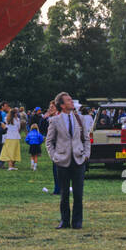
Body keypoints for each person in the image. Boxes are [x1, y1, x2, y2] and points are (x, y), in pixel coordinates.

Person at [45, 92, 90, 228]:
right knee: (64, 193)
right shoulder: (54, 121)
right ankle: (64, 221)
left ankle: (77, 222)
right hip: (62, 161)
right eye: (69, 100)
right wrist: (54, 157)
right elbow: (49, 141)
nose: (72, 102)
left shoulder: (80, 119)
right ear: (62, 105)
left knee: (78, 194)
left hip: (78, 160)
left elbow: (87, 139)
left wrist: (86, 155)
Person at [0, 103, 22, 170]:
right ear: (15, 113)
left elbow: (3, 126)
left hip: (8, 137)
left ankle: (11, 166)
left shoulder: (6, 118)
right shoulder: (17, 120)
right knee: (14, 151)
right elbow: (19, 128)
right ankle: (11, 166)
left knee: (9, 151)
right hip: (15, 137)